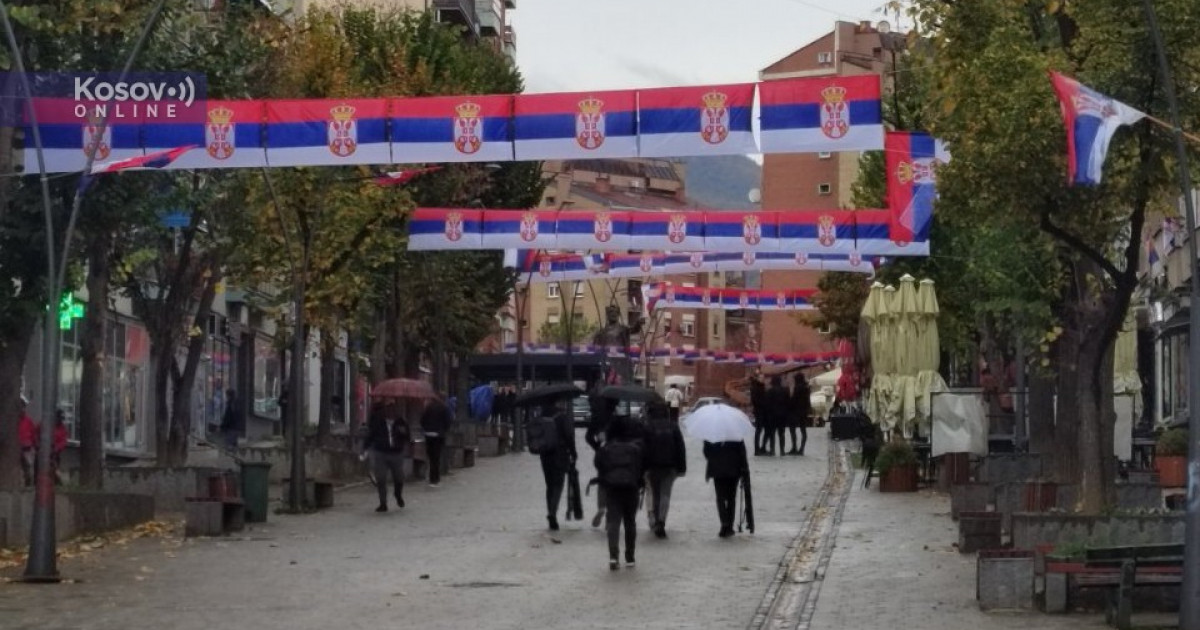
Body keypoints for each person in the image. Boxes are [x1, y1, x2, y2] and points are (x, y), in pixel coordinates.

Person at [595, 418, 646, 569]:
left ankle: (613, 556)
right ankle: (630, 557)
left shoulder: (606, 449)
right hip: (631, 488)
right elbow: (641, 467)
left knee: (613, 522)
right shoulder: (635, 449)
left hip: (612, 488)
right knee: (630, 522)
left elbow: (598, 465)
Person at [642, 400, 686, 539]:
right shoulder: (673, 426)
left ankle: (655, 519)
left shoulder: (647, 427)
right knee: (665, 494)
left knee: (655, 493)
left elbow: (642, 448)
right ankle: (661, 521)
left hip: (652, 466)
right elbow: (680, 448)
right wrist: (682, 468)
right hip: (670, 466)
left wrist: (641, 467)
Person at [531, 399, 577, 531]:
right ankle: (552, 512)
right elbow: (569, 436)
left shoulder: (541, 416)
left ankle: (550, 511)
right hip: (560, 454)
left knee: (549, 485)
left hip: (545, 454)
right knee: (558, 484)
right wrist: (573, 452)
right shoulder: (561, 416)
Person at [362, 401, 410, 512]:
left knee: (399, 477)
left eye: (393, 411)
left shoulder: (401, 422)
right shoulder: (378, 421)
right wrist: (365, 448)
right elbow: (371, 435)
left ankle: (398, 494)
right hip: (381, 452)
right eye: (388, 410)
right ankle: (383, 503)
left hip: (396, 453)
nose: (390, 413)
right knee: (381, 478)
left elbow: (408, 437)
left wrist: (403, 433)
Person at [703, 438, 749, 538]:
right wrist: (744, 470)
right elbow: (742, 453)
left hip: (717, 469)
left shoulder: (712, 434)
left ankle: (724, 522)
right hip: (734, 469)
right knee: (731, 498)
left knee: (720, 497)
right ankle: (729, 526)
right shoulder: (736, 434)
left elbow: (706, 452)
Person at [420, 397, 452, 487]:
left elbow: (422, 420)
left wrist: (426, 428)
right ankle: (435, 479)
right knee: (436, 457)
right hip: (438, 435)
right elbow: (448, 421)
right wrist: (444, 430)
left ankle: (431, 477)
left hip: (428, 434)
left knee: (431, 457)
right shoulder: (444, 408)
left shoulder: (428, 408)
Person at [17, 396, 37, 488]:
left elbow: (33, 434)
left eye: (23, 407)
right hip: (16, 448)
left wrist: (33, 445)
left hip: (26, 448)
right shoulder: (13, 421)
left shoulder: (28, 421)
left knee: (27, 466)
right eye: (19, 407)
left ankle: (28, 483)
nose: (21, 409)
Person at [790, 377, 812, 456]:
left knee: (792, 429)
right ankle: (801, 449)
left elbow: (794, 400)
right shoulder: (807, 388)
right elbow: (808, 401)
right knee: (803, 430)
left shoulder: (797, 388)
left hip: (796, 412)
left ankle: (794, 447)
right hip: (804, 412)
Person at [750, 375, 768, 455]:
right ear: (758, 379)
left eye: (764, 378)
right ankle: (757, 449)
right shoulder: (756, 387)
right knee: (759, 430)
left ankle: (762, 448)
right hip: (759, 411)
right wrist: (764, 404)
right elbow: (755, 400)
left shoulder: (761, 387)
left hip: (763, 411)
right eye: (761, 378)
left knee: (763, 430)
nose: (763, 379)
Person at [52, 409, 68, 485]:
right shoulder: (49, 425)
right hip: (45, 450)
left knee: (55, 466)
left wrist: (57, 448)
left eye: (62, 419)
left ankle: (58, 482)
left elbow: (63, 441)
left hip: (56, 452)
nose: (60, 421)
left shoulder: (63, 428)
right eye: (59, 418)